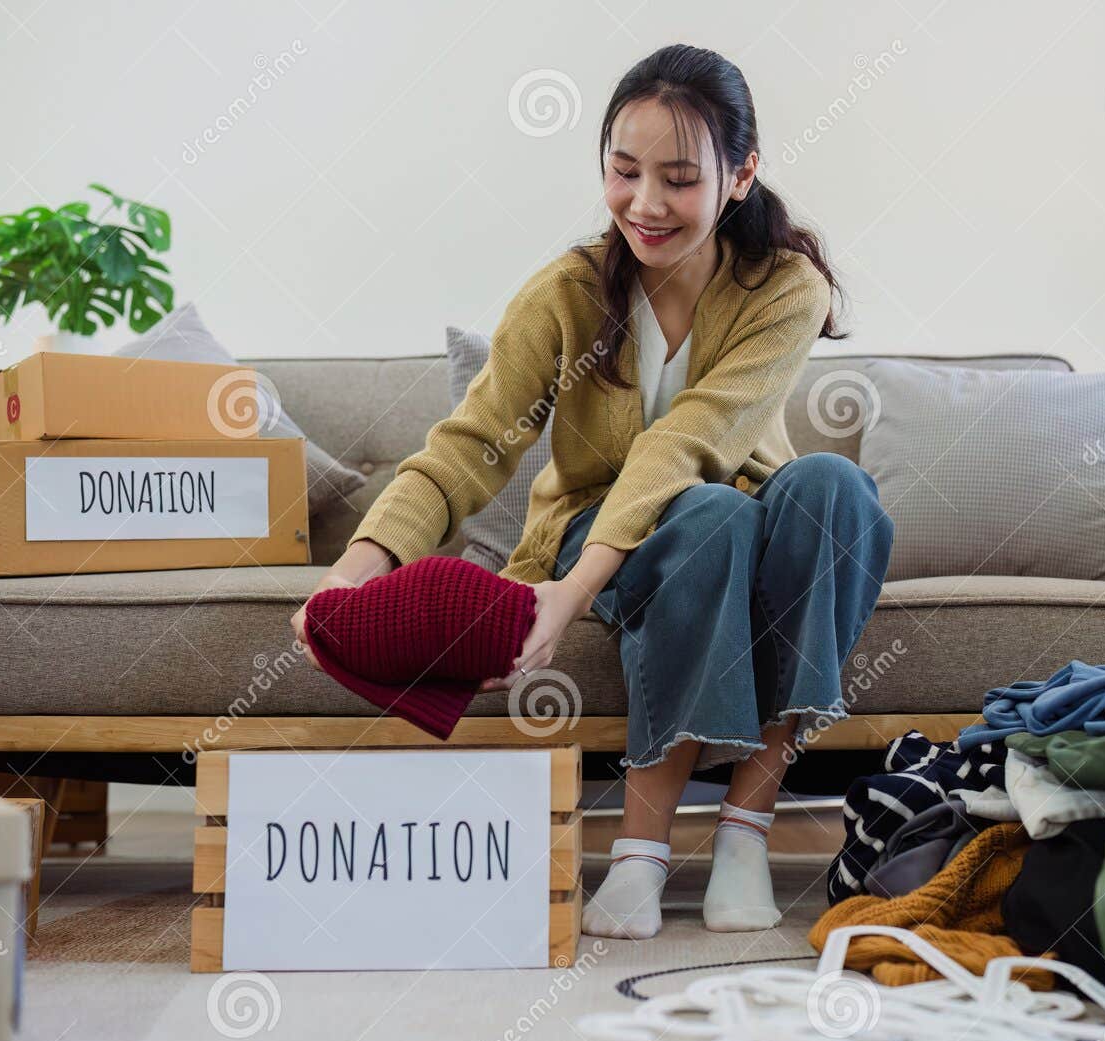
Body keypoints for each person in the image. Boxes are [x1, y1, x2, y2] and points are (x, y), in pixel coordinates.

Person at [292, 44, 893, 940]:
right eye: (624, 171)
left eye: (680, 178)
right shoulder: (568, 294)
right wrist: (351, 573)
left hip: (734, 513)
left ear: (742, 176)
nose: (645, 204)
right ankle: (643, 853)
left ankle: (744, 831)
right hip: (607, 534)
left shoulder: (785, 287)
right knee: (709, 517)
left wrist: (565, 604)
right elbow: (465, 450)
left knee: (833, 489)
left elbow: (689, 441)